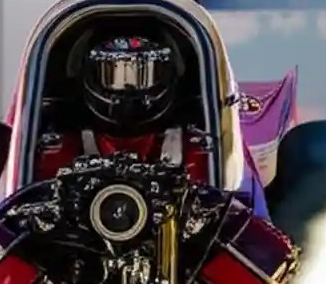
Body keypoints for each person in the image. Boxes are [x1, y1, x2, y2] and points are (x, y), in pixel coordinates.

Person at [34, 34, 214, 188]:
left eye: (143, 74)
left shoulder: (191, 144)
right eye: (115, 74)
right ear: (89, 75)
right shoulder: (61, 144)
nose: (128, 88)